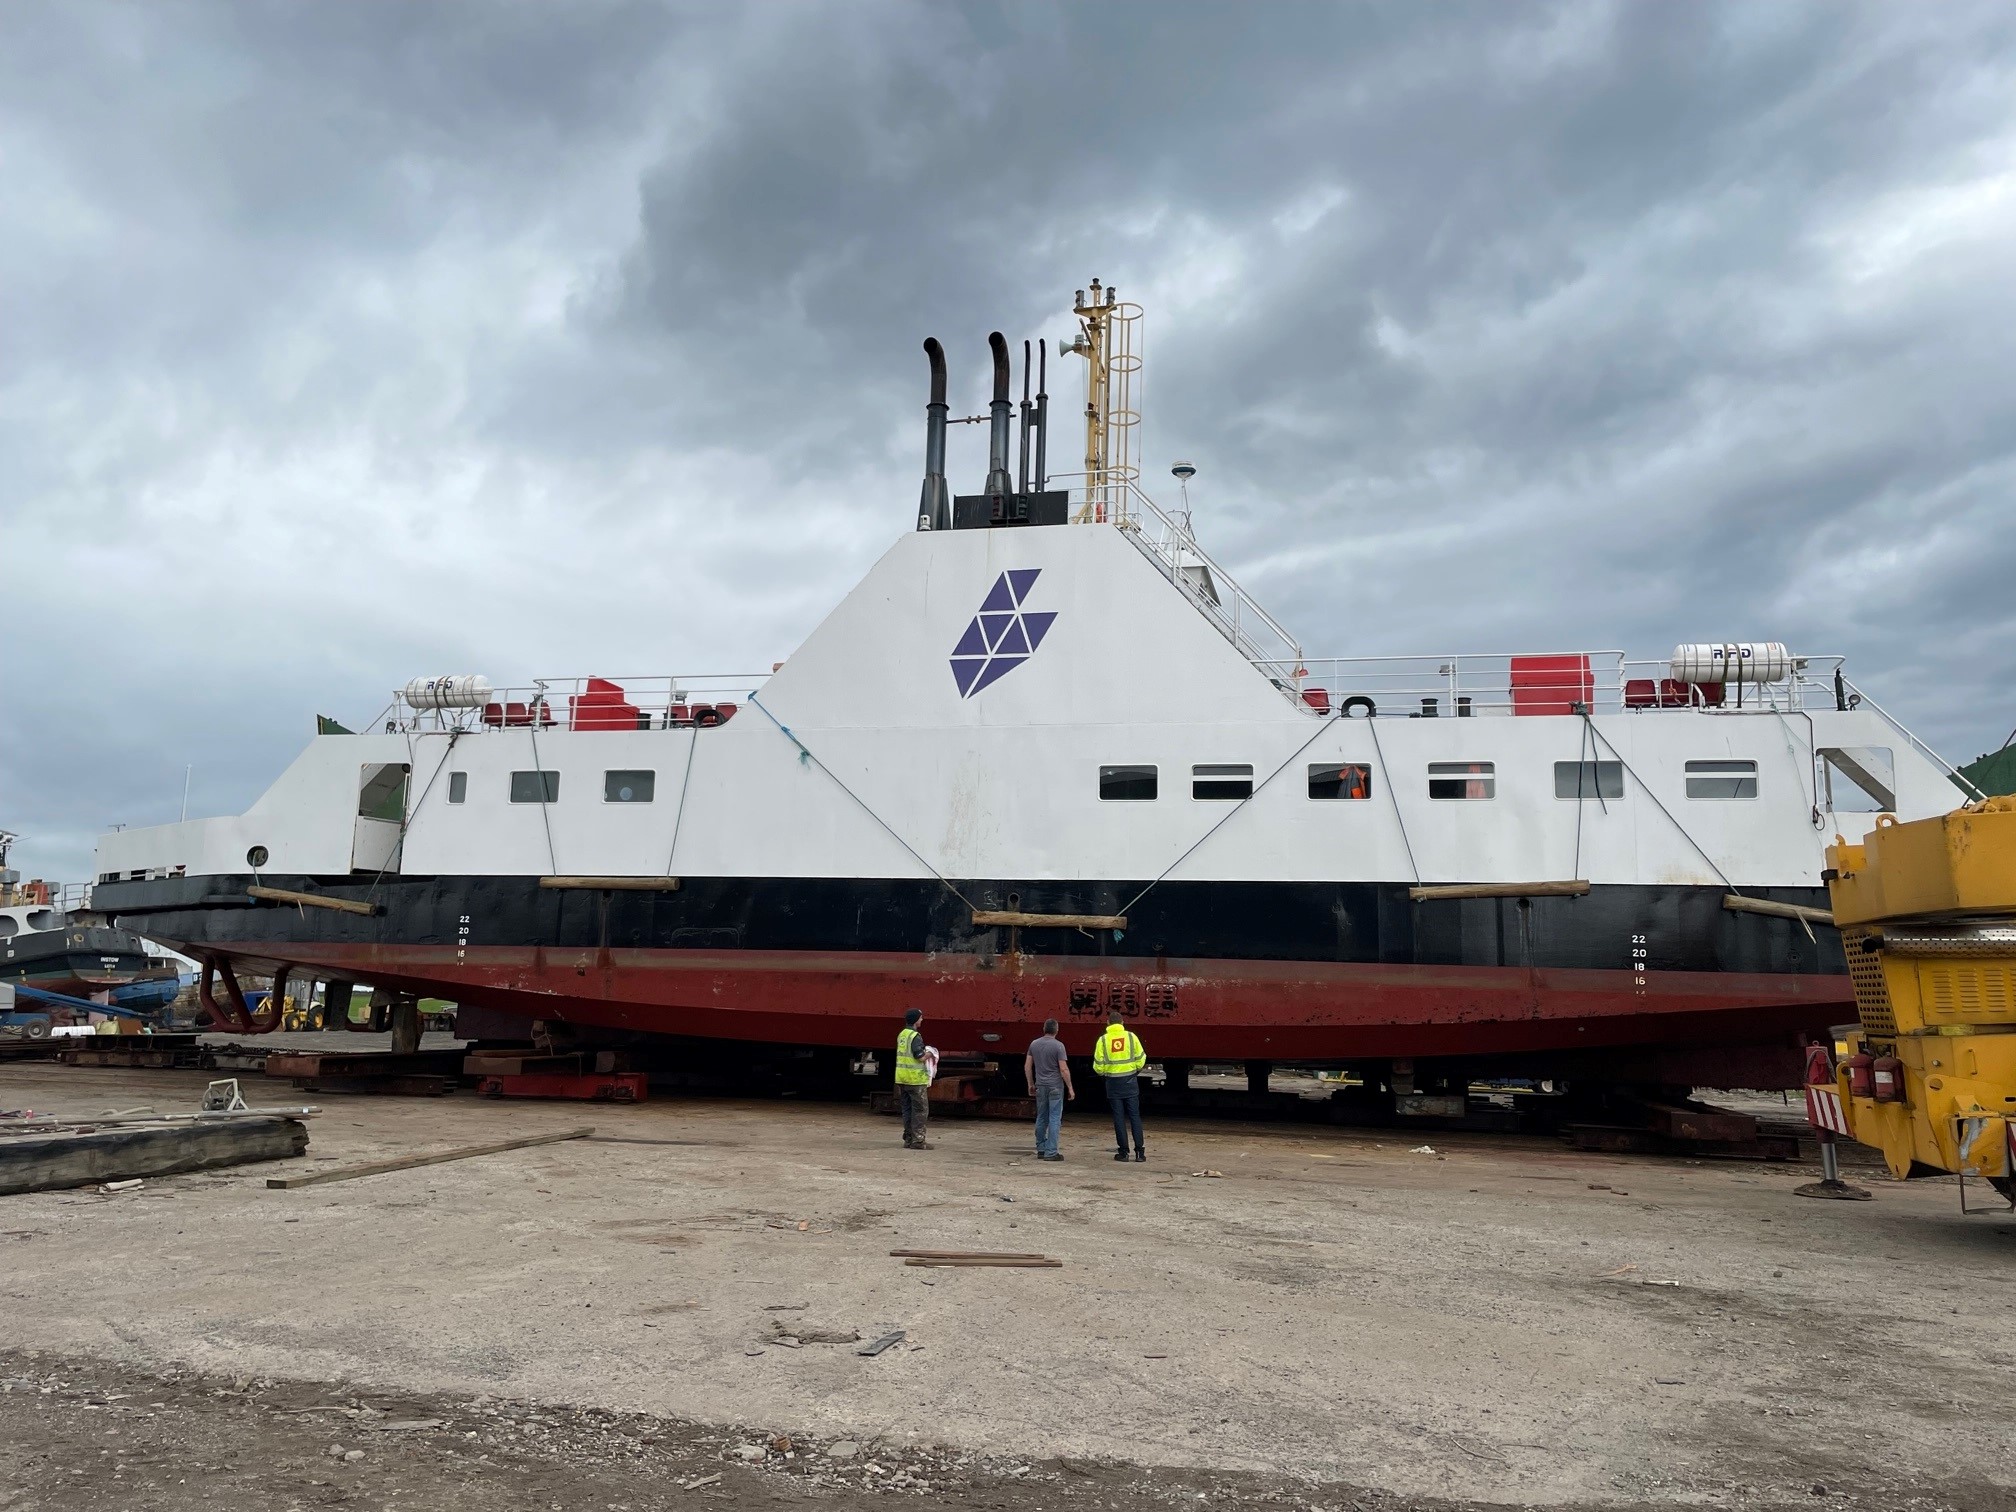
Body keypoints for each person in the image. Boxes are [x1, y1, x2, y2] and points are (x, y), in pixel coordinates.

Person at [1092, 1009, 1148, 1162]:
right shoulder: (1131, 1037)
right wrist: (1134, 1069)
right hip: (1130, 1081)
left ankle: (1123, 1153)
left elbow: (1098, 1066)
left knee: (1119, 1118)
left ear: (1108, 1023)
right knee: (1135, 1116)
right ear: (1122, 1022)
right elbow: (1141, 1058)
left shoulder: (1103, 1040)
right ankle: (1140, 1153)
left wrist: (1106, 1071)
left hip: (1113, 1083)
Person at [1024, 1018, 1074, 1161]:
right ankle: (1051, 1152)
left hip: (1040, 1086)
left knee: (1041, 1117)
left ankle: (1041, 1148)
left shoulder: (1034, 1044)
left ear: (1044, 1029)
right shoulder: (1059, 1046)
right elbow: (1063, 1069)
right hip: (1055, 1087)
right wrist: (1070, 1087)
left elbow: (1027, 1066)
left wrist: (1030, 1084)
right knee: (1054, 1118)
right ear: (1056, 1030)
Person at [895, 1007, 932, 1150]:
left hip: (902, 1078)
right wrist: (931, 1053)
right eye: (921, 1017)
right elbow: (920, 1057)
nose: (922, 1019)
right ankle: (918, 1140)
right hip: (915, 1080)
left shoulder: (902, 1035)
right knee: (920, 1110)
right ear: (916, 1020)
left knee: (907, 1109)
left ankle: (908, 1139)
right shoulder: (915, 1036)